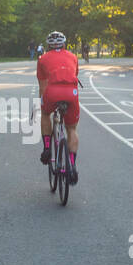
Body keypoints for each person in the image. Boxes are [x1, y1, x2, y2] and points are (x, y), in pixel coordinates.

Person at [36, 30, 81, 185]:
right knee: (72, 130)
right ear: (64, 44)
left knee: (44, 114)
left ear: (48, 45)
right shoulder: (73, 57)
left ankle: (47, 147)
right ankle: (72, 166)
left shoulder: (42, 59)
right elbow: (74, 76)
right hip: (71, 94)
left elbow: (42, 86)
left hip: (52, 92)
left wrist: (42, 103)